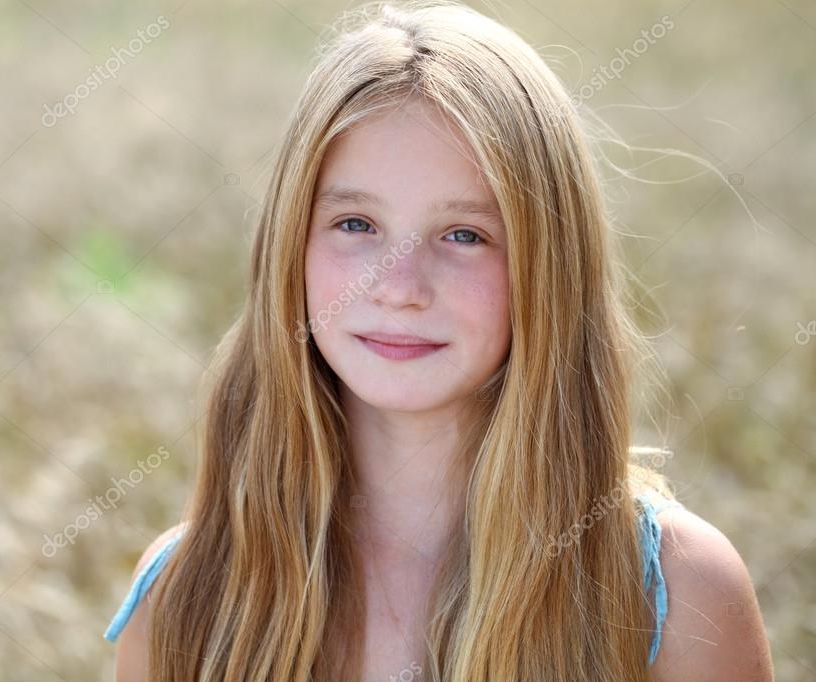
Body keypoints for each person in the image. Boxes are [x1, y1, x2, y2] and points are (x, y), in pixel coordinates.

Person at [104, 1, 774, 679]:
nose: (400, 287)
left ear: (550, 267)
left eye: (464, 235)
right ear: (289, 246)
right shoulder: (185, 594)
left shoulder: (677, 593)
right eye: (355, 223)